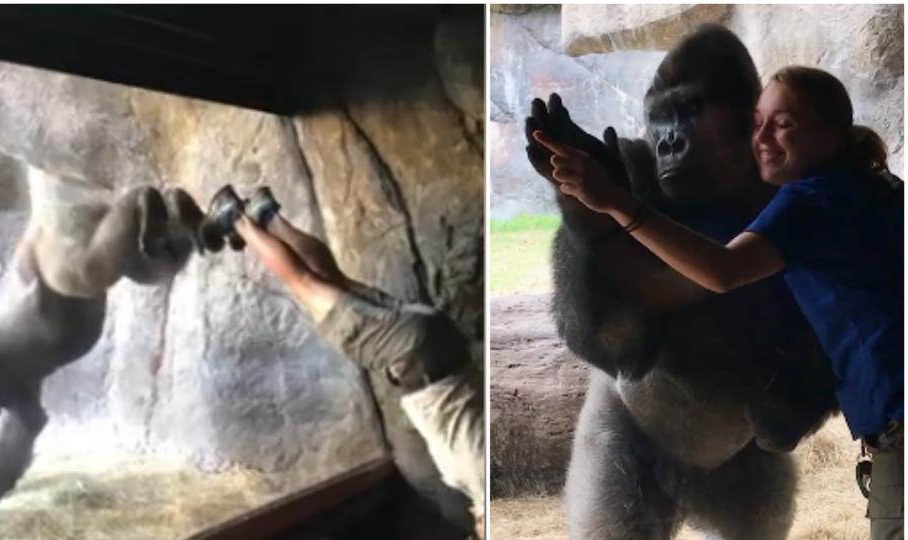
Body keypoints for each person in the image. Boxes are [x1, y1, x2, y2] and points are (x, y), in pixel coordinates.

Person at [533, 66, 903, 539]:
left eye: (782, 123)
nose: (764, 137)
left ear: (830, 134)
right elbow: (614, 339)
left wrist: (612, 203)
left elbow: (721, 273)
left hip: (875, 428)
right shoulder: (881, 189)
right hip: (637, 435)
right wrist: (588, 217)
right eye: (759, 122)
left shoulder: (807, 203)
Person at [205, 184, 485, 538]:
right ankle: (238, 218)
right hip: (412, 357)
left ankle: (269, 216)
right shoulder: (484, 481)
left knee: (333, 281)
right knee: (305, 284)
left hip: (439, 342)